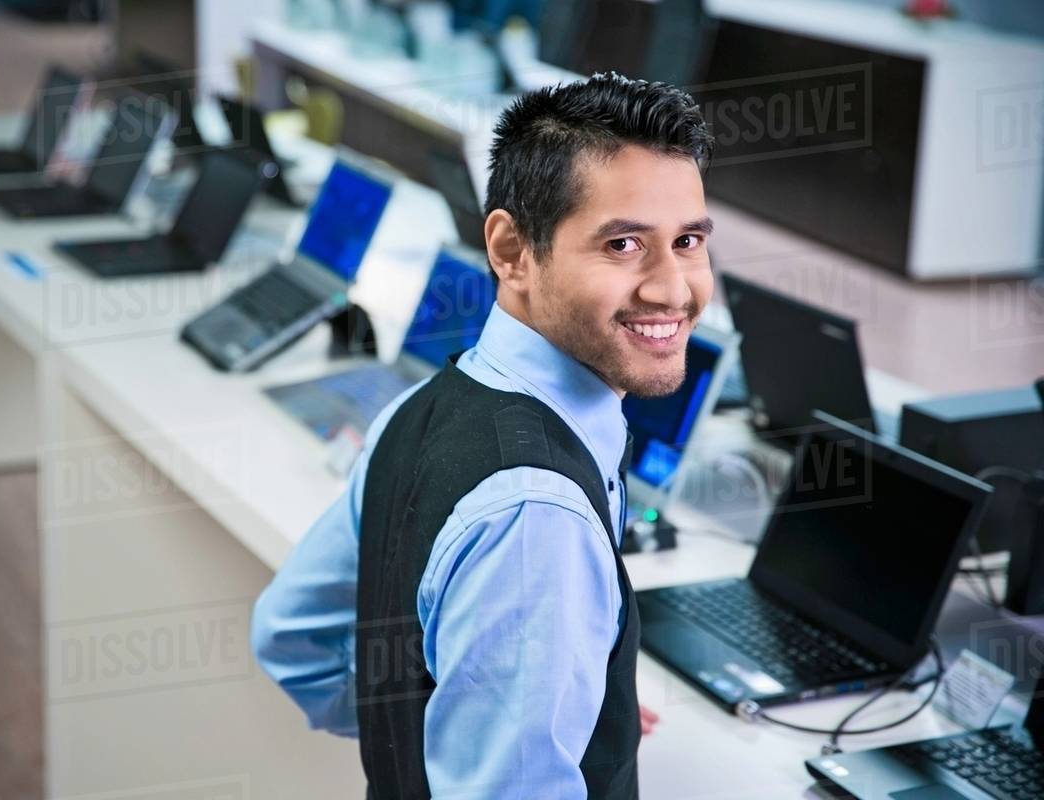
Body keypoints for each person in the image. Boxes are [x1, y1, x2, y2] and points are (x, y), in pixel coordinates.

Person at [252, 72, 715, 799]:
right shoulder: (538, 517)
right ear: (510, 251)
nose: (672, 288)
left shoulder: (421, 406)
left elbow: (290, 640)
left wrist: (462, 718)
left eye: (687, 240)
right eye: (623, 244)